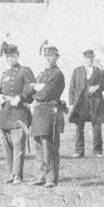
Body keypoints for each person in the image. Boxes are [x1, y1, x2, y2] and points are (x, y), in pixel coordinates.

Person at [0, 43, 35, 184]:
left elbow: (31, 87)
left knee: (18, 144)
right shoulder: (5, 73)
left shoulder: (25, 71)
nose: (10, 59)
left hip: (19, 113)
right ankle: (12, 174)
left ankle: (18, 175)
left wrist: (21, 97)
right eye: (8, 57)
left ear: (18, 55)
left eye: (13, 56)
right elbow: (0, 90)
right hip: (6, 113)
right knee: (7, 146)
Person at [30, 46, 65, 188]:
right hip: (39, 110)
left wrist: (36, 90)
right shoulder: (42, 74)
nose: (48, 58)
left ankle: (51, 178)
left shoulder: (57, 74)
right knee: (38, 144)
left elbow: (45, 93)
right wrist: (36, 89)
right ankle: (41, 176)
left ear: (57, 57)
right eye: (47, 56)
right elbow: (30, 90)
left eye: (52, 55)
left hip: (49, 110)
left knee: (48, 145)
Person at [68, 49, 104, 157]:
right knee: (79, 127)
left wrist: (98, 86)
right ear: (83, 59)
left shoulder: (99, 71)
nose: (89, 60)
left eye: (91, 58)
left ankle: (97, 151)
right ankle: (79, 151)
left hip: (95, 103)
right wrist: (71, 103)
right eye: (87, 58)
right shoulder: (77, 71)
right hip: (80, 103)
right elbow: (71, 88)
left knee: (97, 126)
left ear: (94, 58)